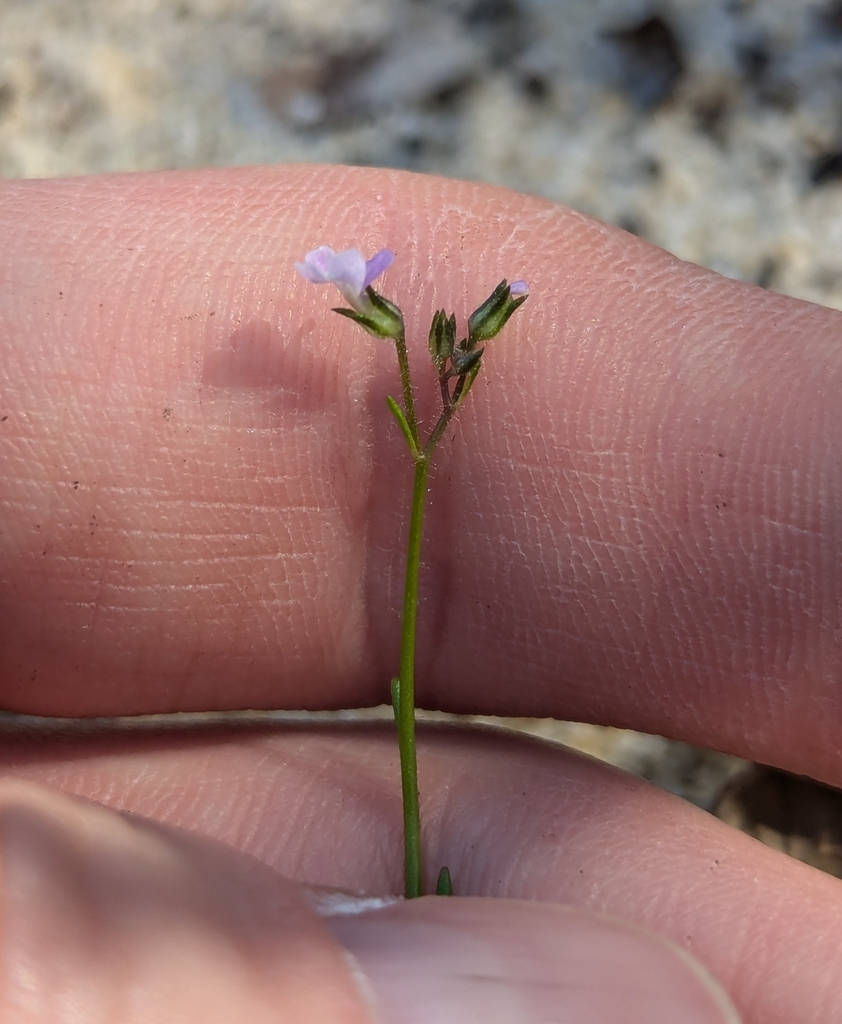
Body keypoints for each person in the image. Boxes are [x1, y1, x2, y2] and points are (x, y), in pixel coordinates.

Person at [0, 164, 838, 1024]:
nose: (347, 281)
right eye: (350, 281)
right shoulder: (407, 352)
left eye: (352, 278)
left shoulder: (422, 362)